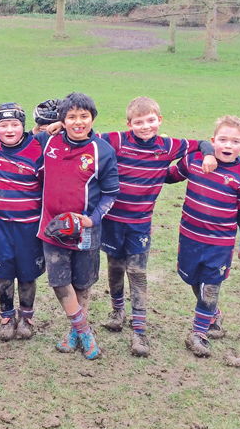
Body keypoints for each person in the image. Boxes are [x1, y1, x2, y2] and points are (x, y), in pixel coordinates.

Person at [78, 97, 216, 357]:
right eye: (139, 122)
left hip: (140, 224)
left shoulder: (168, 146)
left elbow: (200, 144)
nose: (145, 126)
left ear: (160, 120)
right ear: (129, 124)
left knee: (137, 272)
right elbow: (86, 137)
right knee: (115, 267)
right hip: (112, 220)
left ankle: (139, 330)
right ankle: (117, 312)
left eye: (151, 120)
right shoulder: (117, 140)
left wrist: (208, 155)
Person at [165, 115, 240, 358]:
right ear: (213, 141)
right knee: (194, 280)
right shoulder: (195, 160)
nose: (228, 145)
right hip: (190, 237)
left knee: (211, 286)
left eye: (235, 141)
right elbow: (170, 175)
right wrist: (147, 162)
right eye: (223, 140)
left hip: (219, 244)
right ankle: (213, 314)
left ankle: (199, 333)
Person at [38, 93, 119, 360]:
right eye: (71, 117)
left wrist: (92, 219)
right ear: (62, 120)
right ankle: (84, 331)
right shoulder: (48, 141)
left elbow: (110, 193)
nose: (78, 122)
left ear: (92, 118)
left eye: (84, 116)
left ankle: (74, 332)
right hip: (52, 228)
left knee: (83, 283)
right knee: (60, 283)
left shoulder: (102, 151)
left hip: (86, 230)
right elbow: (16, 140)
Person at [0, 103, 48, 342]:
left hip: (29, 226)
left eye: (15, 124)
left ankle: (26, 317)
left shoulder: (37, 148)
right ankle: (6, 317)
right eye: (3, 125)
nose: (9, 130)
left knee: (28, 273)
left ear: (23, 126)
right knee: (3, 272)